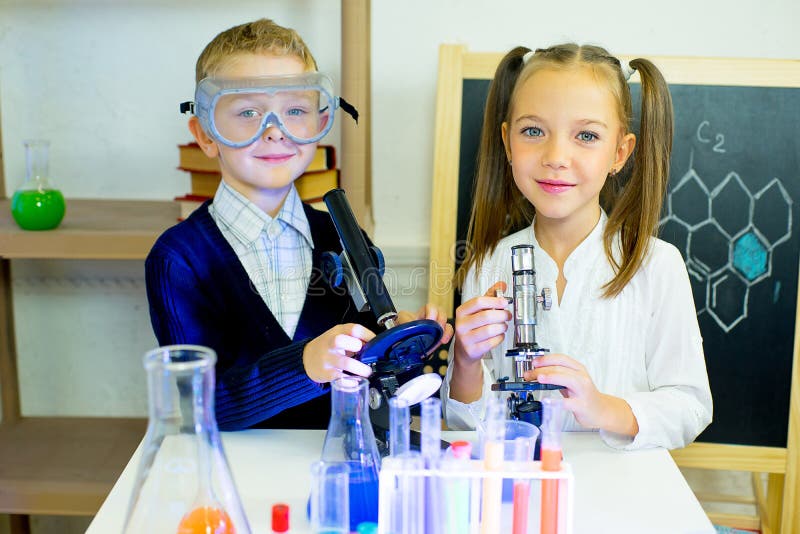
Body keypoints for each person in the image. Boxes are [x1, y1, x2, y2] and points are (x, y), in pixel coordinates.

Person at [146, 19, 452, 431]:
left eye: (295, 111)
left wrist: (398, 344)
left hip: (339, 465)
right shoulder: (179, 260)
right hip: (242, 478)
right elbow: (203, 405)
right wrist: (306, 364)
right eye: (248, 112)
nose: (275, 132)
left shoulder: (341, 235)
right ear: (205, 134)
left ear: (318, 119)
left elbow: (375, 383)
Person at [441, 44, 712, 449]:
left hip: (620, 494)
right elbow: (465, 426)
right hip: (521, 492)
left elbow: (691, 406)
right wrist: (464, 360)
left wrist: (602, 407)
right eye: (533, 131)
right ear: (507, 141)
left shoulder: (658, 266)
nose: (556, 157)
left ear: (620, 153)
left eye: (586, 136)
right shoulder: (488, 265)